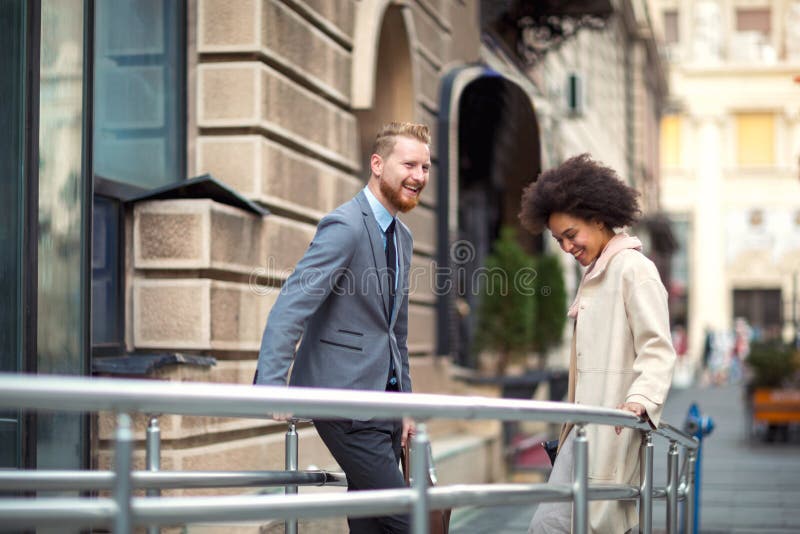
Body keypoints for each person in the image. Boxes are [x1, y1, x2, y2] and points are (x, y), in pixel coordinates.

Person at [254, 121, 431, 533]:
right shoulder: (345, 226)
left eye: (425, 167)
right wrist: (272, 383)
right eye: (409, 164)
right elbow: (292, 304)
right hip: (345, 402)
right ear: (377, 164)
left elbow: (395, 333)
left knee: (371, 523)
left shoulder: (402, 237)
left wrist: (405, 404)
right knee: (406, 521)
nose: (419, 177)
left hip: (383, 407)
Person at [519, 154, 676, 534]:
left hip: (612, 430)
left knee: (569, 526)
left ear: (599, 219)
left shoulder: (634, 270)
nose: (566, 247)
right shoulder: (599, 272)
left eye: (571, 235)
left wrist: (641, 399)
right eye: (558, 240)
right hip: (583, 431)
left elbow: (657, 347)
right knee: (555, 525)